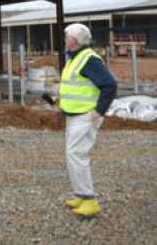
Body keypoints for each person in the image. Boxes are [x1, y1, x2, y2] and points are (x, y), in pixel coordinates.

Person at [59, 23, 117, 217]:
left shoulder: (89, 60)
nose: (65, 39)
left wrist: (99, 111)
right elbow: (76, 87)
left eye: (67, 36)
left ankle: (89, 199)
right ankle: (81, 196)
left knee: (77, 154)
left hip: (85, 116)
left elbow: (109, 85)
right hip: (75, 114)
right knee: (73, 154)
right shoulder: (74, 57)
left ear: (75, 40)